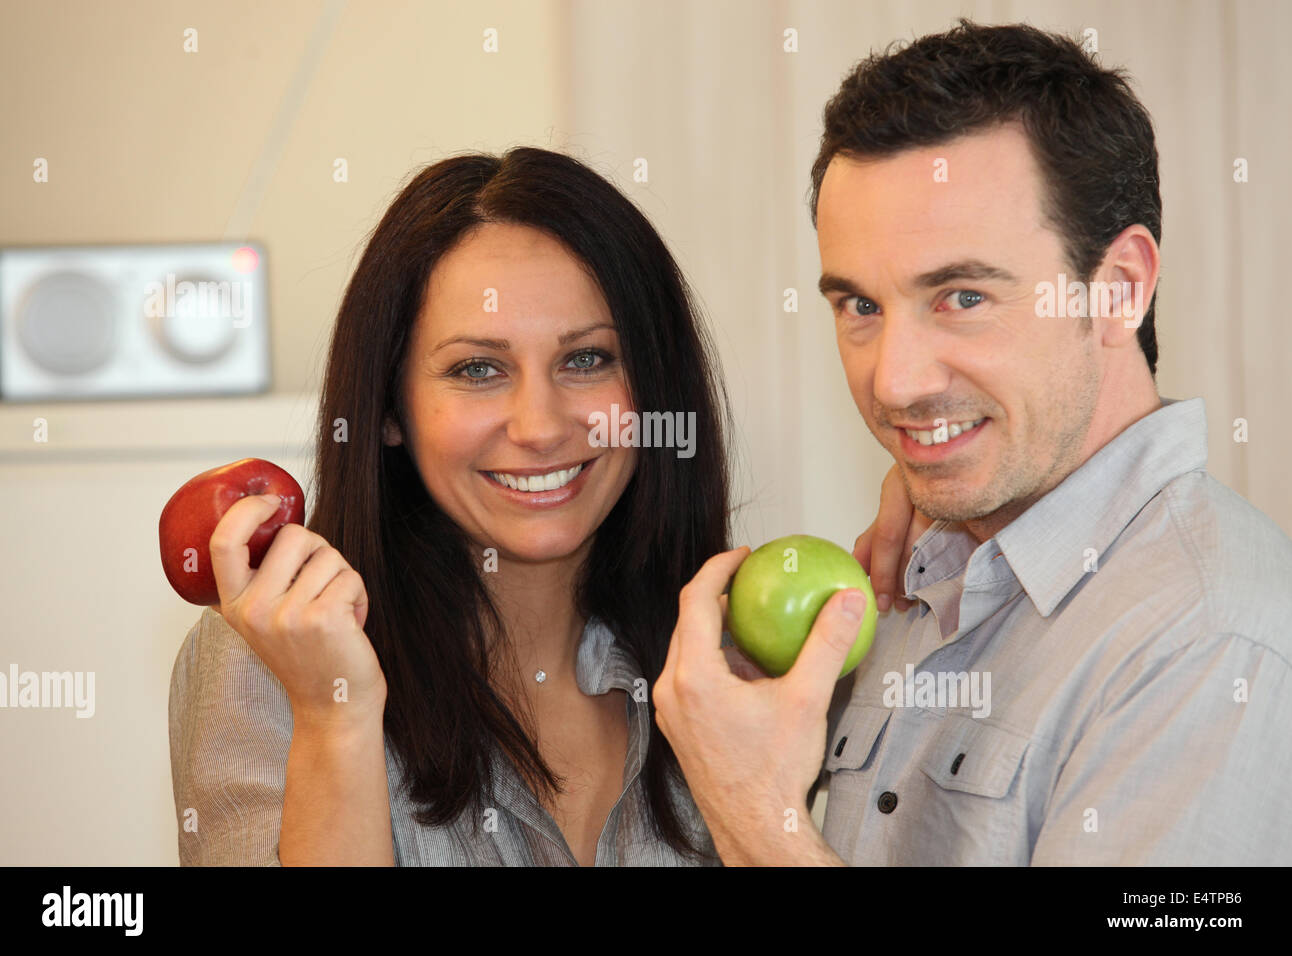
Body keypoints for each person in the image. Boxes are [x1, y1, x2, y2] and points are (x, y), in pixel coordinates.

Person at [167, 145, 924, 866]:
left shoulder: (743, 656)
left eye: (586, 359)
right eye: (477, 369)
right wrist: (337, 718)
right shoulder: (270, 659)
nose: (540, 427)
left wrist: (941, 498)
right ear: (389, 409)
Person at [654, 20, 1292, 865]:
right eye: (861, 307)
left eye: (960, 297)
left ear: (1119, 289)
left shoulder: (1210, 647)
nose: (894, 383)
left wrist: (753, 816)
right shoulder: (924, 565)